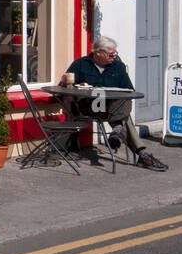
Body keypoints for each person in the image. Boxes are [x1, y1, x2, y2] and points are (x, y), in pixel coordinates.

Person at [62, 36, 168, 170]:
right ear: (98, 53)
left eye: (115, 54)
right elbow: (65, 84)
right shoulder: (80, 64)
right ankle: (128, 141)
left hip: (111, 108)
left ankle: (133, 145)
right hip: (88, 106)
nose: (114, 57)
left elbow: (129, 89)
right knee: (125, 118)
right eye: (111, 54)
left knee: (125, 98)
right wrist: (67, 83)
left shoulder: (118, 67)